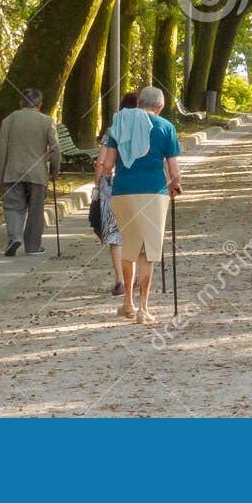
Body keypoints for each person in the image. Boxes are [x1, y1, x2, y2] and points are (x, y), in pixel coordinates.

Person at [97, 86, 181, 325]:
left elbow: (108, 164)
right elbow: (174, 171)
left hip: (123, 191)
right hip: (154, 192)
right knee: (148, 251)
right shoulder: (166, 127)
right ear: (160, 106)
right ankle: (144, 308)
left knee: (129, 246)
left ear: (139, 103)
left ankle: (127, 304)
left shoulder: (119, 125)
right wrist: (175, 186)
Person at [0, 86, 61, 257]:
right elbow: (55, 148)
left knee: (12, 207)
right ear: (39, 104)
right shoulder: (47, 121)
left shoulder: (8, 120)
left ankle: (15, 237)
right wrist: (55, 169)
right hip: (37, 174)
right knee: (36, 210)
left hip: (13, 171)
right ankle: (32, 246)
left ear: (20, 103)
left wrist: (0, 174)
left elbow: (2, 150)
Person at [89, 91, 138, 296]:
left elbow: (103, 162)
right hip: (140, 187)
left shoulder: (113, 130)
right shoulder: (148, 128)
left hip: (115, 187)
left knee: (115, 233)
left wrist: (98, 183)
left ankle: (120, 280)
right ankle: (134, 277)